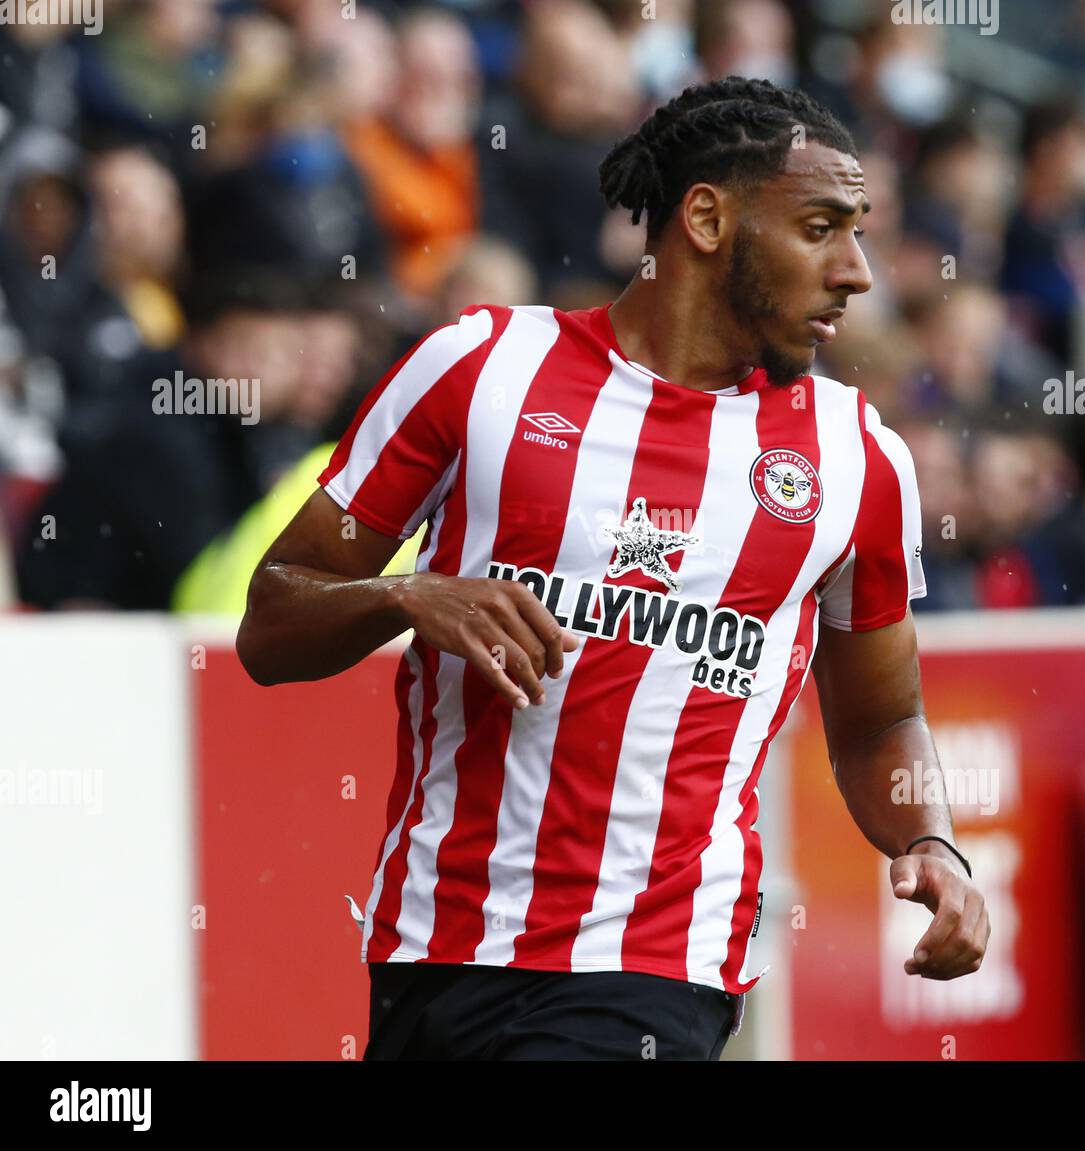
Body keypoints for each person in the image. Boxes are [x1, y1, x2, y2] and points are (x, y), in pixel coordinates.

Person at [236, 76, 989, 1062]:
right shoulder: (482, 368)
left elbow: (881, 716)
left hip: (656, 965)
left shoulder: (854, 461)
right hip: (433, 946)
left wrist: (927, 839)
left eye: (857, 233)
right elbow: (269, 624)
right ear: (707, 218)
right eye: (820, 228)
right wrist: (405, 595)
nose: (855, 271)